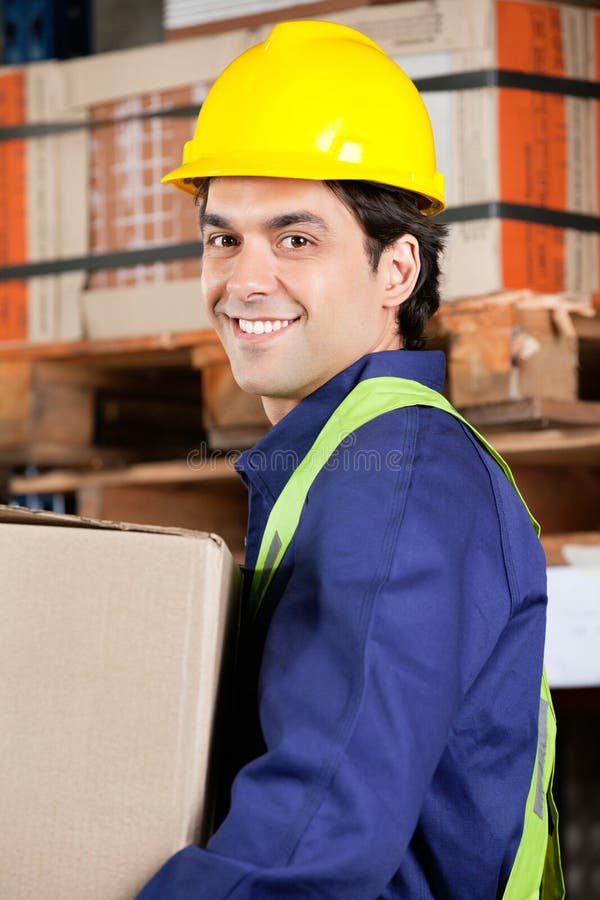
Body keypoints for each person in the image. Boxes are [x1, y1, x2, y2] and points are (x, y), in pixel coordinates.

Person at [137, 20, 563, 899]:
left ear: (396, 271)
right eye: (224, 239)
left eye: (296, 240)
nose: (245, 279)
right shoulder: (346, 460)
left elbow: (310, 850)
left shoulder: (396, 483)